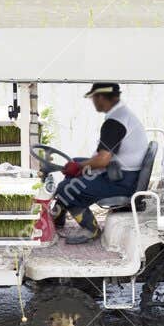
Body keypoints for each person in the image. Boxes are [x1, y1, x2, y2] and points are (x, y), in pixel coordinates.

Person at [54, 82, 149, 244]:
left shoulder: (115, 122)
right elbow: (104, 157)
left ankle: (91, 230)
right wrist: (79, 165)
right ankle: (59, 216)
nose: (93, 102)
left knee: (64, 188)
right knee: (76, 163)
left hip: (122, 182)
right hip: (123, 173)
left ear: (101, 97)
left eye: (94, 98)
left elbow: (103, 159)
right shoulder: (122, 115)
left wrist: (79, 168)